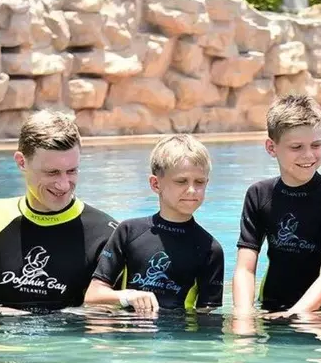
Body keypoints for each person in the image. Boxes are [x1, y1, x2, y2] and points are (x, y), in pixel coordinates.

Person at [0, 110, 147, 312]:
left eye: (72, 171)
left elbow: (112, 320)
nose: (64, 185)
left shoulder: (107, 234)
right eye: (52, 173)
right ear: (21, 162)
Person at [232, 95, 321, 317]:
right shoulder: (258, 195)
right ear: (271, 147)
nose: (308, 155)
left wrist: (295, 315)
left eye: (316, 145)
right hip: (269, 308)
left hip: (317, 314)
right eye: (296, 147)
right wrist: (243, 313)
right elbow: (245, 268)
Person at [84, 134, 224, 312]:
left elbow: (207, 320)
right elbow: (93, 295)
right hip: (129, 334)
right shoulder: (128, 232)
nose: (192, 190)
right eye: (181, 181)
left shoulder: (210, 249)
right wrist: (128, 296)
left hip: (179, 336)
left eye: (200, 182)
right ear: (155, 184)